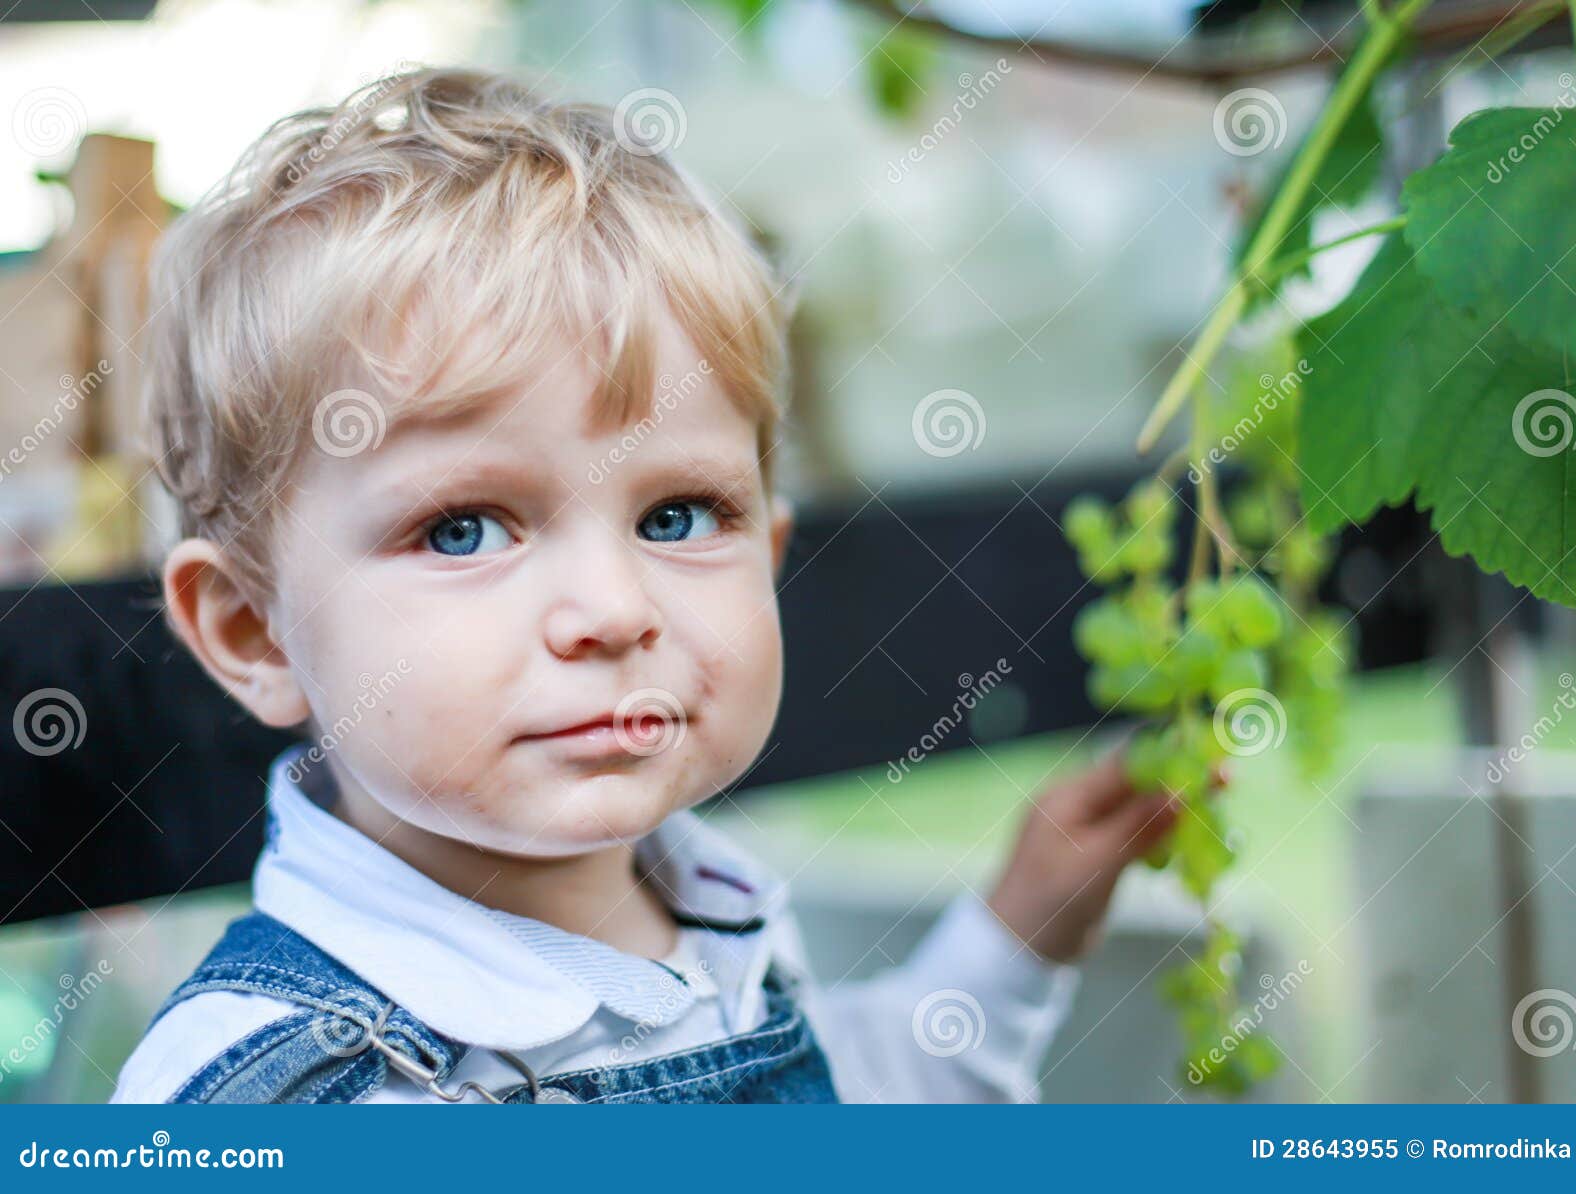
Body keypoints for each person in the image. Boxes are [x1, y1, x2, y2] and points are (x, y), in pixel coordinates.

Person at [111, 66, 1179, 1104]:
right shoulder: (280, 1096)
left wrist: (1026, 923)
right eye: (464, 530)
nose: (615, 611)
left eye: (675, 518)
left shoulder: (693, 914)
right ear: (254, 630)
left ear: (765, 552)